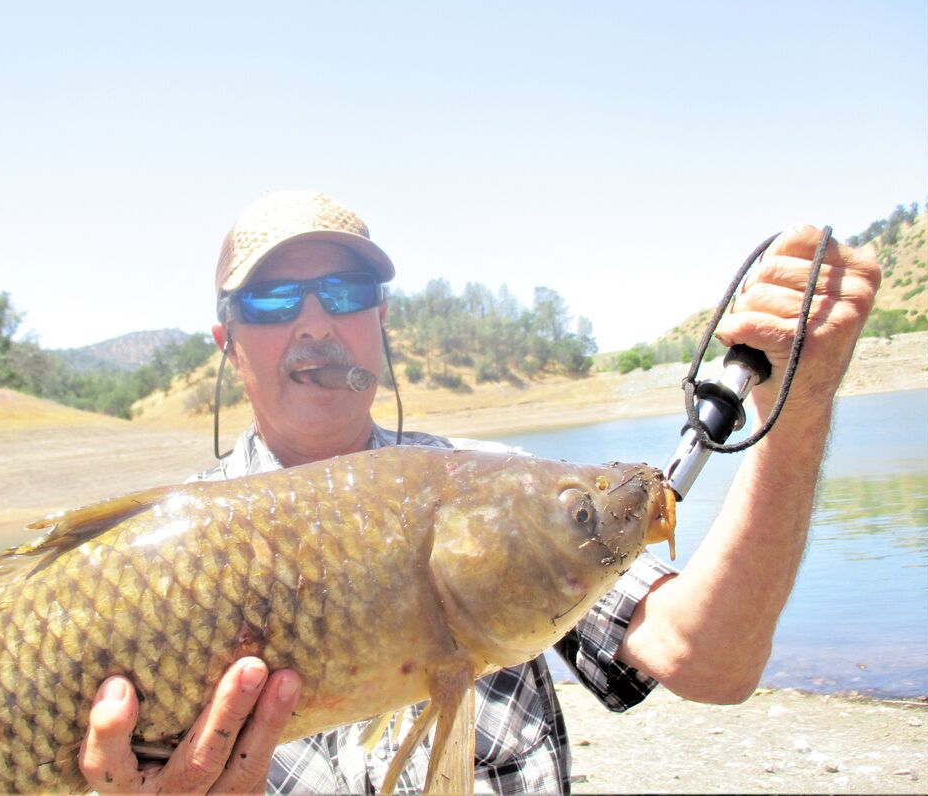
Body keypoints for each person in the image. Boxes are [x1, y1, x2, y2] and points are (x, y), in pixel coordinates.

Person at [77, 191, 880, 794]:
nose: (316, 321)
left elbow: (710, 661)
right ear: (228, 342)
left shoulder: (501, 494)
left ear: (380, 322)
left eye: (347, 295)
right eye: (275, 302)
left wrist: (800, 403)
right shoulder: (149, 561)